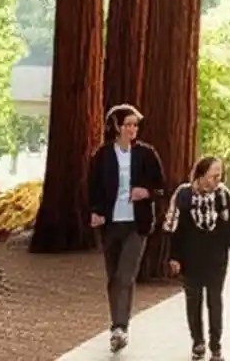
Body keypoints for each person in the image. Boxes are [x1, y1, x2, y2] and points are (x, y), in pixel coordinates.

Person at [87, 103, 166, 353]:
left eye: (135, 125)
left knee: (125, 275)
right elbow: (92, 187)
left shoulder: (146, 154)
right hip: (110, 224)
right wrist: (95, 211)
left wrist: (146, 192)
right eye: (128, 124)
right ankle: (116, 327)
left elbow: (161, 187)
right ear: (117, 127)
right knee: (113, 277)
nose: (133, 129)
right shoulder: (102, 156)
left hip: (136, 224)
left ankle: (120, 327)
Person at [164, 156, 230, 361]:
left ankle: (216, 346)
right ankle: (198, 342)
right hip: (191, 258)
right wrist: (174, 256)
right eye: (213, 176)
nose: (217, 180)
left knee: (215, 300)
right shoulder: (183, 194)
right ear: (201, 174)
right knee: (193, 300)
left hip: (216, 258)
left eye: (219, 176)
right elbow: (174, 228)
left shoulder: (223, 195)